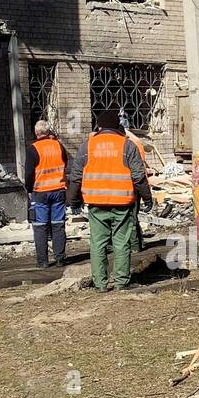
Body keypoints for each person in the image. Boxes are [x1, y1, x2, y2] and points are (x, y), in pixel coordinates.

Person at [66, 108, 152, 291]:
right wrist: (147, 197)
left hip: (96, 204)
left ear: (99, 126)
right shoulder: (127, 145)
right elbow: (139, 176)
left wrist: (73, 200)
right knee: (121, 243)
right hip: (122, 204)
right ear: (117, 125)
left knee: (98, 244)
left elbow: (76, 176)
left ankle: (100, 284)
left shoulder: (87, 146)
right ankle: (121, 282)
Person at [25, 119, 69, 268]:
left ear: (36, 132)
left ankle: (43, 261)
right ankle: (60, 258)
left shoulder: (33, 148)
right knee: (58, 225)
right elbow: (65, 164)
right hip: (58, 191)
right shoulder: (59, 145)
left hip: (40, 192)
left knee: (40, 227)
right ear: (48, 131)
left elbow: (29, 173)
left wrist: (29, 189)